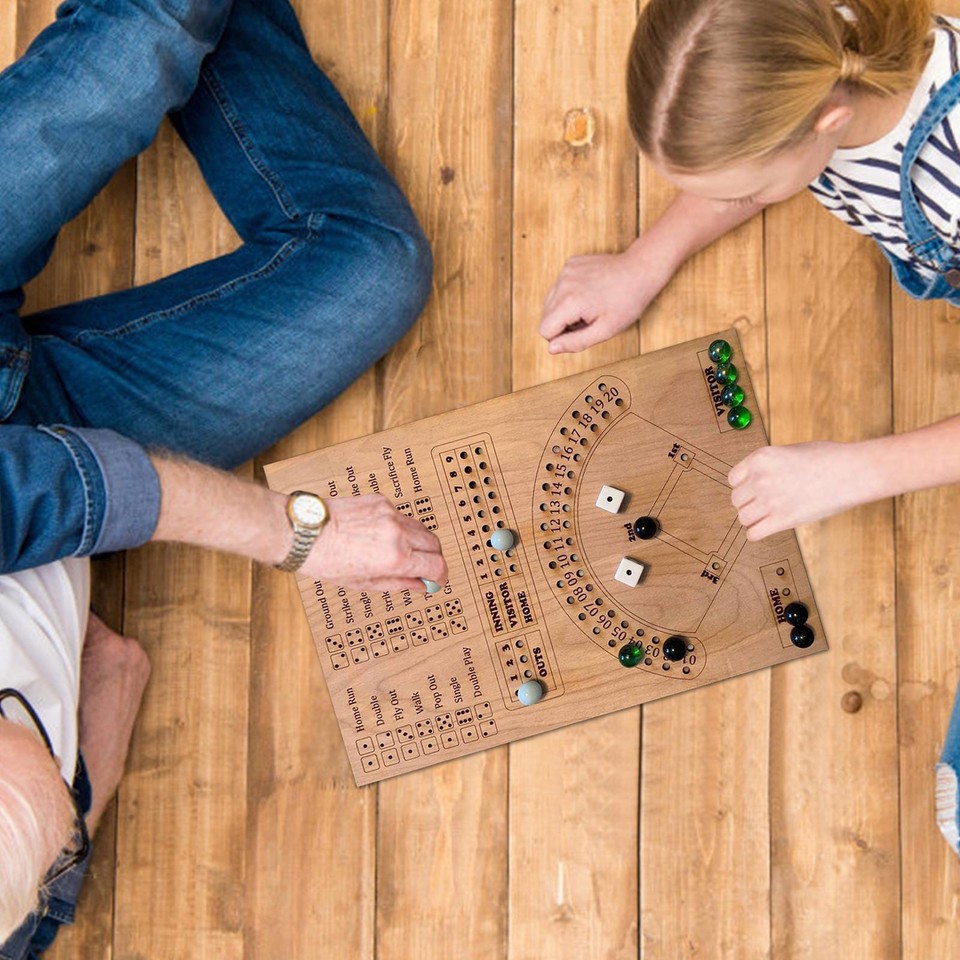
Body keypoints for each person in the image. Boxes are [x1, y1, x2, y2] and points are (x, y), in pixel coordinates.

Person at [0, 0, 447, 953]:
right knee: (377, 271)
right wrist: (75, 756)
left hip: (54, 478)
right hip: (55, 431)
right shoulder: (12, 908)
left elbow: (91, 489)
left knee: (152, 29)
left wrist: (306, 536)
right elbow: (116, 671)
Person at [539, 0, 960, 857]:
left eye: (741, 191)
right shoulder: (817, 65)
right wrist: (646, 259)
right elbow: (767, 163)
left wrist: (856, 470)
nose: (727, 201)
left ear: (828, 120)